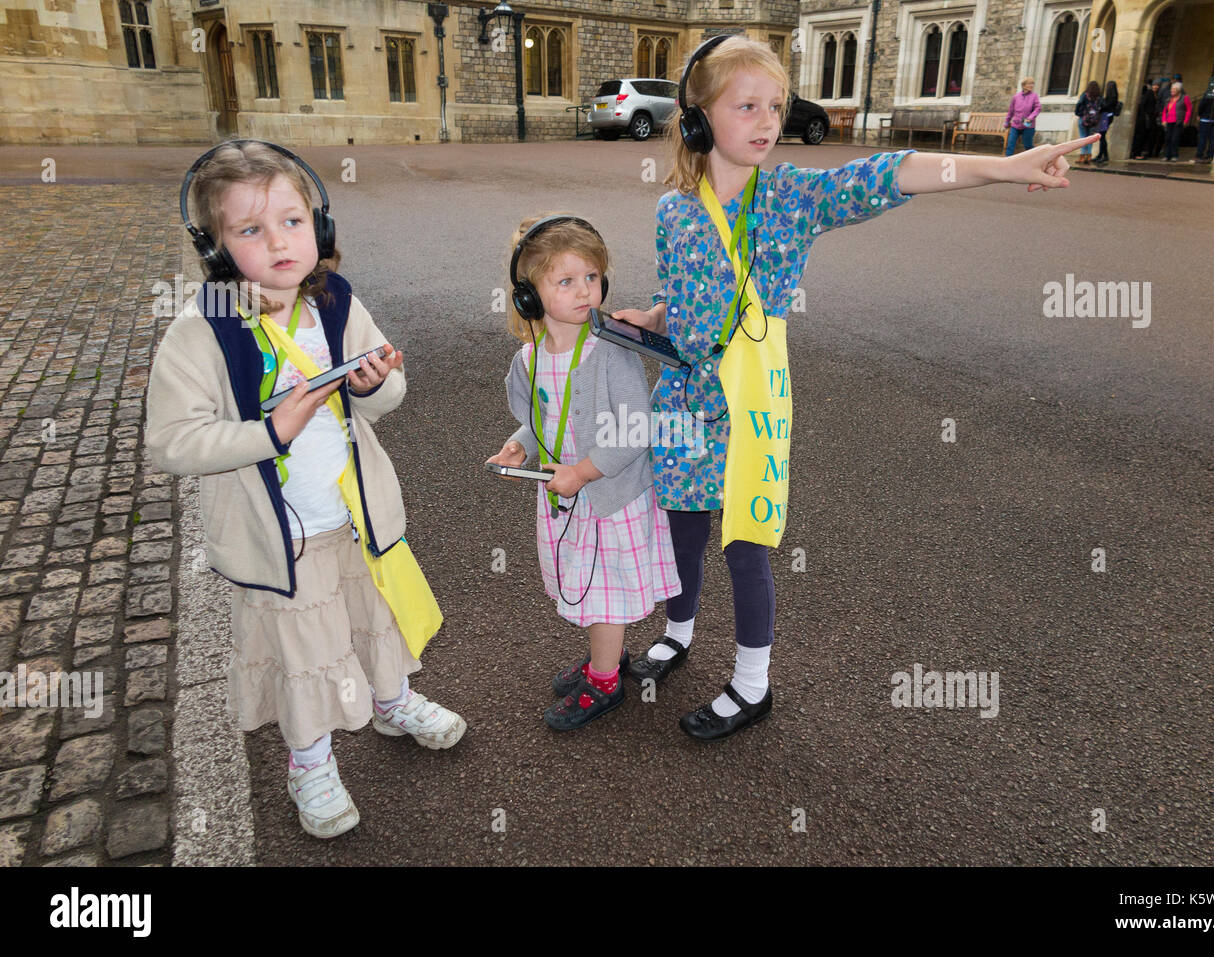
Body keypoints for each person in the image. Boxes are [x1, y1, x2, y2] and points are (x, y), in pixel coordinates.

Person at [612, 35, 1097, 741]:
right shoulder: (673, 211)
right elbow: (676, 293)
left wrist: (1000, 165)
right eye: (746, 105)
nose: (767, 120)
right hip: (683, 396)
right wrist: (650, 315)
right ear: (696, 118)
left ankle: (752, 684)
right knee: (681, 527)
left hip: (751, 402)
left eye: (774, 104)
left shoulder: (793, 196)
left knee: (747, 542)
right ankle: (677, 633)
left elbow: (894, 172)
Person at [146, 140, 465, 839]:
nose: (279, 242)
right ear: (217, 246)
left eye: (292, 221)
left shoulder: (336, 304)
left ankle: (391, 700)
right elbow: (172, 441)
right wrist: (269, 432)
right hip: (278, 538)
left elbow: (391, 393)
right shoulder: (203, 329)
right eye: (250, 229)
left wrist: (375, 387)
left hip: (353, 516)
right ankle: (309, 761)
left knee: (371, 616)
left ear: (318, 229)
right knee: (304, 652)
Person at [486, 215, 681, 731]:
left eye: (592, 277)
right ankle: (606, 656)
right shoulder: (530, 360)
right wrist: (518, 446)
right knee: (592, 585)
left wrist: (584, 470)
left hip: (608, 497)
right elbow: (539, 419)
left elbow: (636, 427)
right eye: (565, 281)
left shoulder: (610, 351)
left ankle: (604, 682)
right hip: (568, 495)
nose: (584, 291)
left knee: (604, 591)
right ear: (529, 296)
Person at [1004, 77, 1041, 156]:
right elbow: (1011, 110)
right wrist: (1007, 121)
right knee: (1010, 143)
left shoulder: (1034, 96)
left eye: (1032, 84)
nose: (1031, 85)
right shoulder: (1016, 97)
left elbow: (1038, 108)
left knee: (1028, 145)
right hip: (1016, 123)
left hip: (1027, 124)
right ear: (1024, 85)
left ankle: (1035, 159)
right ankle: (1006, 162)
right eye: (1029, 83)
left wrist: (1030, 118)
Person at [1162, 80, 1193, 161]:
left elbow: (1189, 109)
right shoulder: (1169, 99)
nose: (1172, 91)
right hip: (1168, 121)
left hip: (1178, 121)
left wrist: (1186, 121)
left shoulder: (1184, 98)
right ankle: (1166, 155)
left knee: (1174, 139)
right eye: (1171, 89)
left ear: (1179, 90)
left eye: (1174, 89)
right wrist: (1164, 120)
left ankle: (1174, 156)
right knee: (1167, 138)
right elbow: (1165, 110)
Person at [1075, 81, 1103, 163]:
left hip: (1083, 119)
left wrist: (1079, 114)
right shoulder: (1099, 97)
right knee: (1090, 138)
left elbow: (1079, 105)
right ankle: (1089, 156)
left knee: (1083, 137)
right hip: (1093, 121)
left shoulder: (1085, 95)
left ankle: (1082, 156)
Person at [1132, 79, 1160, 159]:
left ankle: (1138, 153)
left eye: (1157, 85)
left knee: (1144, 136)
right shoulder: (1149, 93)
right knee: (1141, 136)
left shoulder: (1155, 94)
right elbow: (1143, 105)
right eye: (1155, 85)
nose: (1156, 87)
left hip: (1148, 118)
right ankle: (1136, 153)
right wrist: (1145, 115)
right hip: (1145, 119)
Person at [1096, 80, 1122, 165]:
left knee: (1102, 136)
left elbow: (1105, 107)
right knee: (1102, 136)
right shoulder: (1114, 97)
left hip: (1105, 117)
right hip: (1108, 117)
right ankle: (1101, 155)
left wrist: (1101, 103)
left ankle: (1104, 155)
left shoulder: (1111, 98)